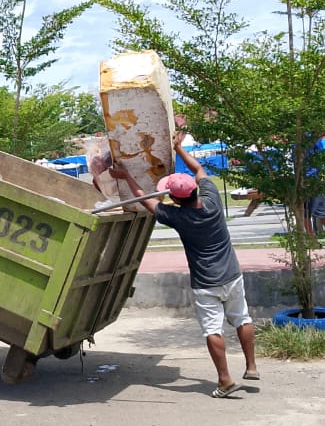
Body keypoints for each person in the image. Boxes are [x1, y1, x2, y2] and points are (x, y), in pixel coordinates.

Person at [110, 132, 257, 399]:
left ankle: (225, 380)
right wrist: (179, 149)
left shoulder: (177, 217)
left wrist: (126, 176)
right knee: (242, 318)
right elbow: (198, 168)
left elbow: (144, 198)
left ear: (175, 199)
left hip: (206, 283)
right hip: (232, 275)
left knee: (213, 329)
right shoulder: (212, 201)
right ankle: (251, 365)